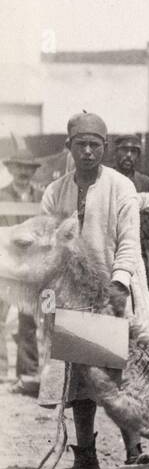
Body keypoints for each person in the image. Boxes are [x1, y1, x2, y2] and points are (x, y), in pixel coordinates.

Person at [39, 112, 149, 469]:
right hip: (73, 295)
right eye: (81, 144)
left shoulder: (121, 187)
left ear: (105, 148)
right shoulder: (54, 191)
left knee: (118, 375)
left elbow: (129, 243)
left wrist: (118, 286)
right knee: (79, 379)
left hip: (115, 292)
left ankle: (134, 451)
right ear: (69, 147)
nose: (88, 151)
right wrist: (48, 299)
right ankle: (86, 459)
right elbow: (47, 248)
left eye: (95, 145)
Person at [0, 144, 44, 394]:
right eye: (18, 167)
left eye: (28, 168)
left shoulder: (40, 197)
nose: (23, 172)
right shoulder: (1, 195)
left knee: (28, 319)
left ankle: (27, 374)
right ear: (10, 169)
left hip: (29, 267)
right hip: (4, 265)